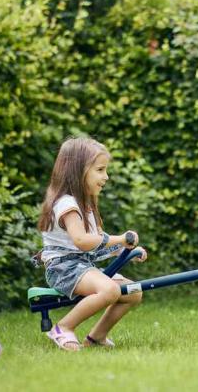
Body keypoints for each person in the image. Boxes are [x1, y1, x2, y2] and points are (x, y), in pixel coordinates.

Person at [38, 136, 147, 351]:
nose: (105, 177)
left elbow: (96, 245)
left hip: (82, 265)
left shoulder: (86, 205)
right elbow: (82, 241)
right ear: (77, 170)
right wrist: (120, 238)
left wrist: (124, 250)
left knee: (133, 291)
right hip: (64, 269)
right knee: (110, 291)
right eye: (100, 170)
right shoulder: (66, 204)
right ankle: (63, 327)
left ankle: (96, 337)